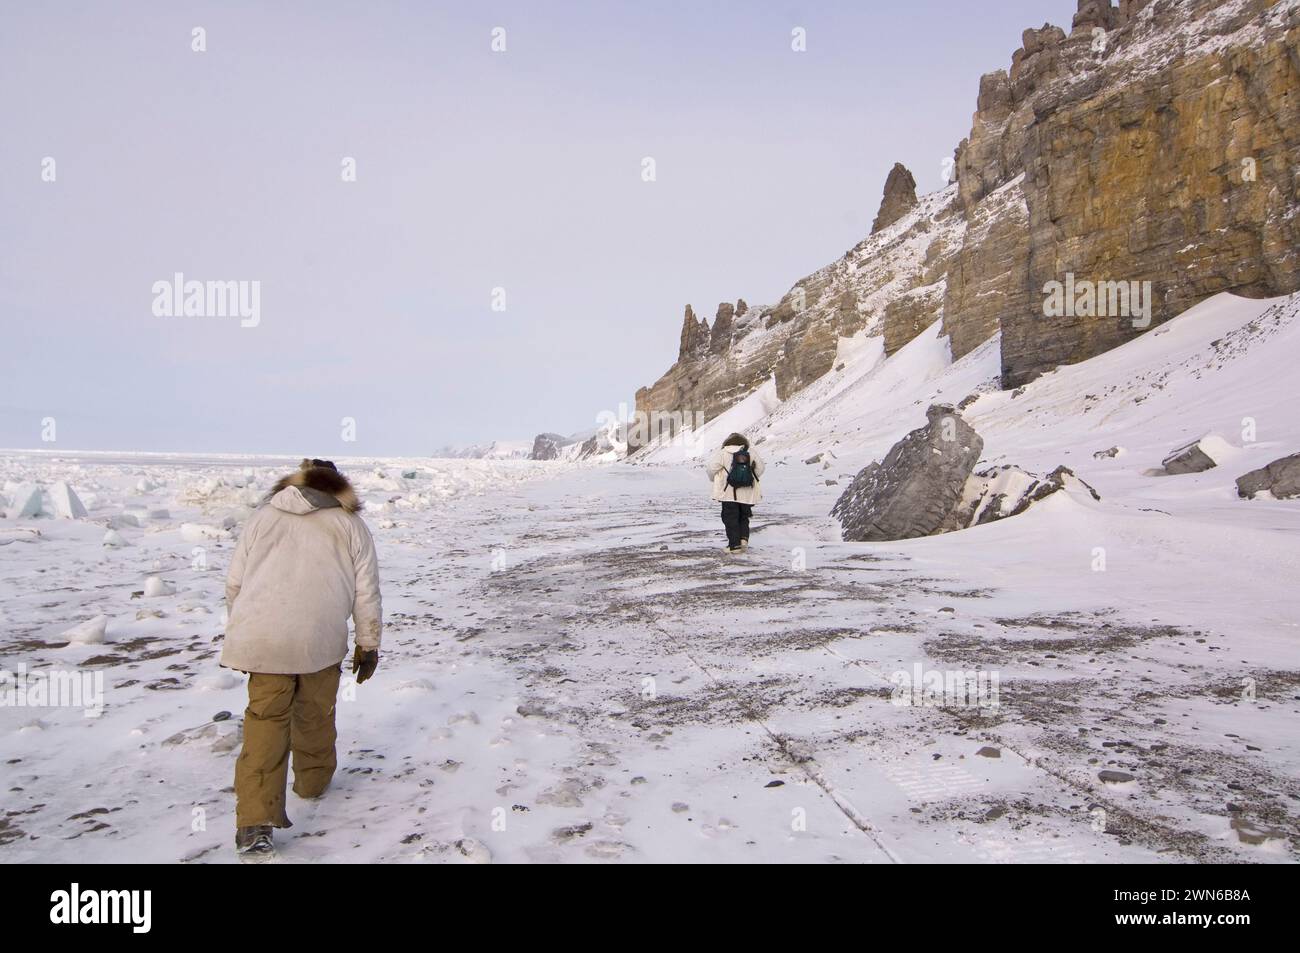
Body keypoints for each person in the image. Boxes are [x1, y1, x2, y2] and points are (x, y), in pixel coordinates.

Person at [221, 458, 382, 861]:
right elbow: (366, 592)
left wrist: (245, 635)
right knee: (314, 714)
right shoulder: (350, 525)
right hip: (319, 640)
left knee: (264, 726)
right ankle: (312, 783)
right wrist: (368, 643)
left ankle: (254, 827)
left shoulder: (262, 518)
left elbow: (235, 583)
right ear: (336, 485)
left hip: (263, 639)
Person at [706, 432, 765, 553]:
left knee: (730, 517)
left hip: (728, 492)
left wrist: (715, 479)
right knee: (744, 516)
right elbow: (761, 468)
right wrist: (749, 478)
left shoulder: (723, 453)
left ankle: (734, 545)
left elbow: (711, 469)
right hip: (747, 492)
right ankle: (743, 539)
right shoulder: (750, 452)